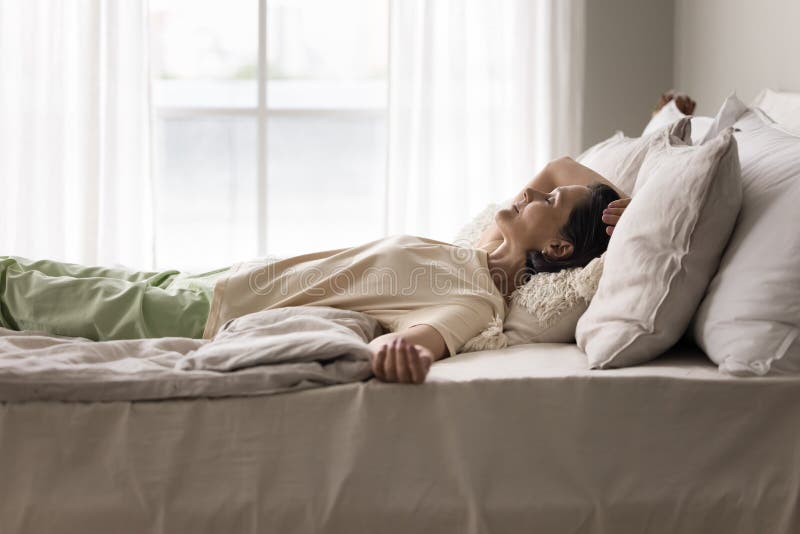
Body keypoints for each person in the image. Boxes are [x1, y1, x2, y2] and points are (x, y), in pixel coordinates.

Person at [0, 90, 694, 384]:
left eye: (548, 204)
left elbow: (419, 341)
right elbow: (559, 170)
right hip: (213, 279)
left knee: (17, 288)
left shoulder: (477, 298)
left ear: (563, 250)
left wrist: (404, 353)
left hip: (209, 314)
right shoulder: (473, 244)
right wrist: (623, 191)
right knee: (30, 274)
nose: (531, 190)